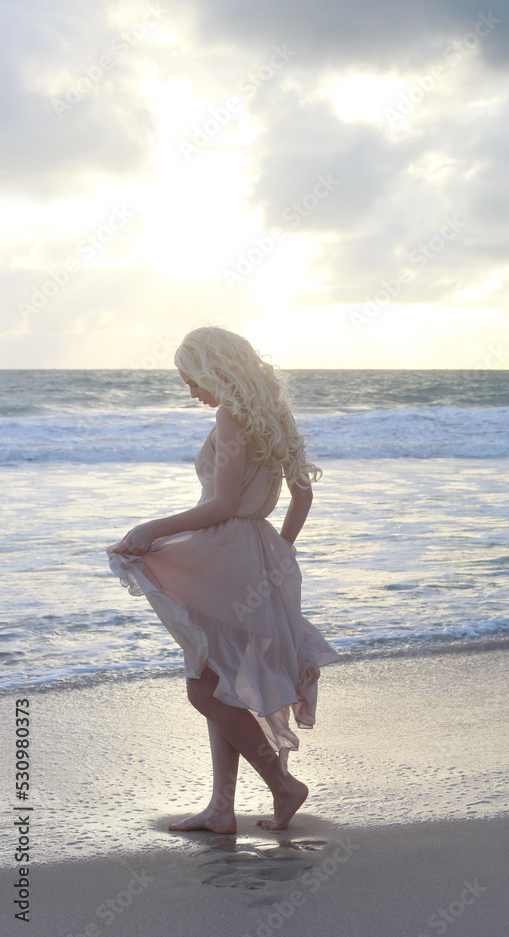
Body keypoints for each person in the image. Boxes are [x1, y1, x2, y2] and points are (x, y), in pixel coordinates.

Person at [106, 325, 341, 833]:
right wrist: (277, 555)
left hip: (226, 554)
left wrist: (151, 529)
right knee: (221, 684)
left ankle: (283, 784)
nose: (192, 391)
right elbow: (303, 498)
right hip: (254, 553)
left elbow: (222, 505)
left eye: (192, 379)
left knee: (203, 688)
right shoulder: (274, 416)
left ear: (215, 370)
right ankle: (221, 808)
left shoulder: (230, 414)